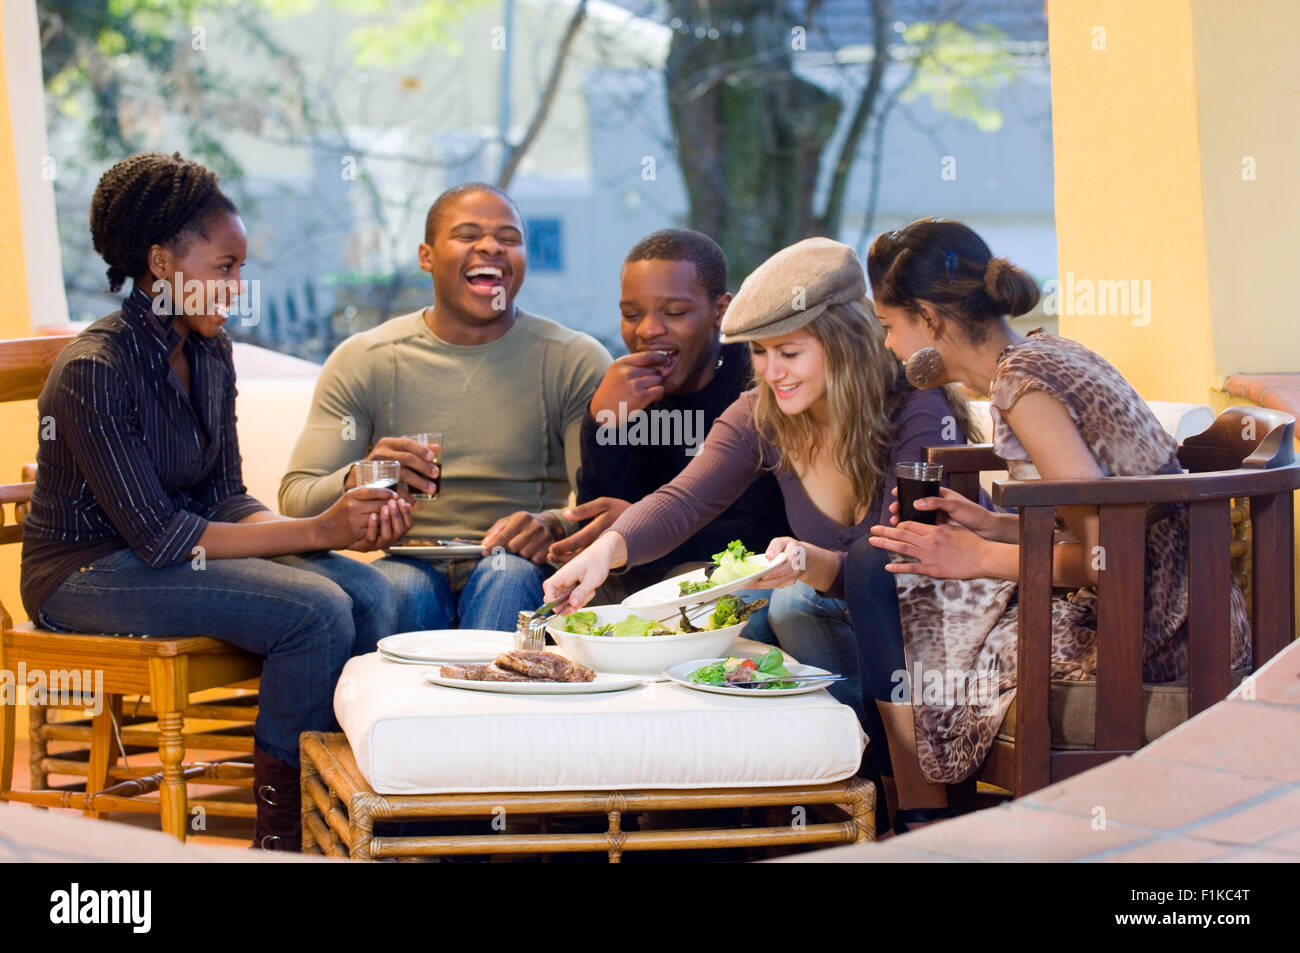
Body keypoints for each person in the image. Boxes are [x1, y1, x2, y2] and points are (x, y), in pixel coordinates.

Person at [20, 152, 412, 851]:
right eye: (224, 268)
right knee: (314, 609)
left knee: (369, 592)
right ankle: (282, 836)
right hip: (84, 575)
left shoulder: (208, 352)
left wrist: (318, 533)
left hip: (160, 556)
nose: (238, 287)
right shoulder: (94, 370)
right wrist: (316, 524)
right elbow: (163, 537)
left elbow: (225, 496)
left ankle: (341, 811)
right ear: (163, 264)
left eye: (240, 268)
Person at [849, 217, 1251, 833]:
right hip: (1168, 603)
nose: (888, 348)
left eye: (889, 328)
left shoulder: (1021, 385)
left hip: (1154, 629)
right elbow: (1097, 523)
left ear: (929, 320)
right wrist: (991, 525)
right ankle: (927, 815)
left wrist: (977, 557)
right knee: (884, 572)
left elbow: (1108, 561)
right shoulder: (1048, 351)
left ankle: (924, 818)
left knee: (883, 577)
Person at [543, 237, 976, 725]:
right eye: (759, 352)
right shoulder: (762, 411)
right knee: (751, 607)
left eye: (789, 352)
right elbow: (684, 500)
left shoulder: (918, 410)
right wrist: (603, 551)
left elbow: (893, 569)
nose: (772, 373)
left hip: (925, 635)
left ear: (847, 343)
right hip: (839, 628)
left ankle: (873, 765)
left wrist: (808, 564)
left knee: (792, 604)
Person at [278, 183, 611, 633]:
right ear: (426, 256)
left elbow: (604, 509)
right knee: (399, 588)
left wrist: (551, 524)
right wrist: (361, 477)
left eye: (509, 238)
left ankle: (487, 701)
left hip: (518, 565)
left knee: (506, 578)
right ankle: (401, 706)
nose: (491, 246)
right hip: (408, 559)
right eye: (468, 234)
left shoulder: (572, 358)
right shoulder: (367, 358)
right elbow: (297, 501)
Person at [548, 228, 790, 608]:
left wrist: (639, 532)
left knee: (687, 585)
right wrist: (601, 423)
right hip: (637, 574)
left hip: (731, 575)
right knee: (573, 590)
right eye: (631, 314)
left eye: (674, 313)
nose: (647, 330)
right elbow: (597, 523)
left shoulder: (758, 385)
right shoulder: (623, 387)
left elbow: (761, 531)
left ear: (720, 311)